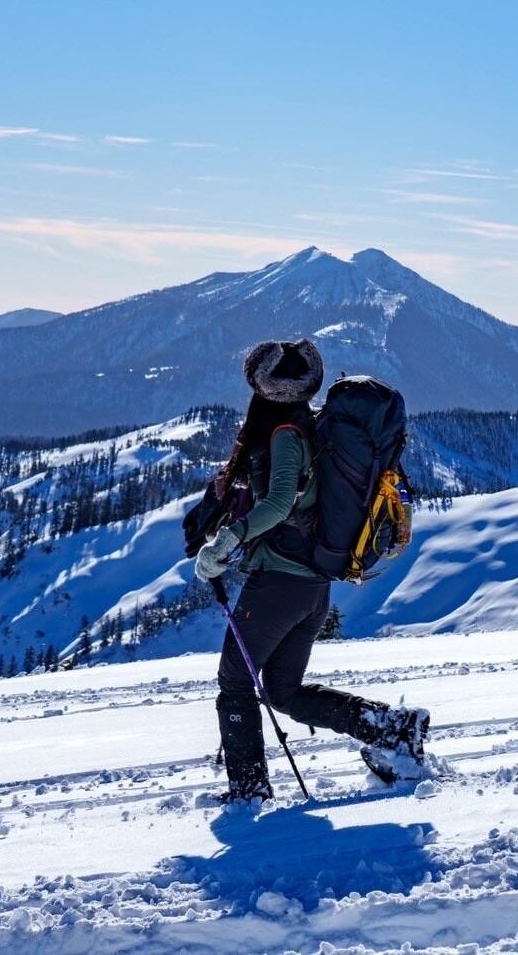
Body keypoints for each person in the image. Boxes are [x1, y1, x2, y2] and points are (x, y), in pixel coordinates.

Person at [196, 339, 430, 802]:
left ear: (261, 387)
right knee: (283, 691)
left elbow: (281, 502)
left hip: (279, 585)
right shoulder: (310, 427)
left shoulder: (286, 434)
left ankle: (248, 791)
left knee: (236, 682)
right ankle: (393, 727)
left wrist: (230, 539)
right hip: (312, 588)